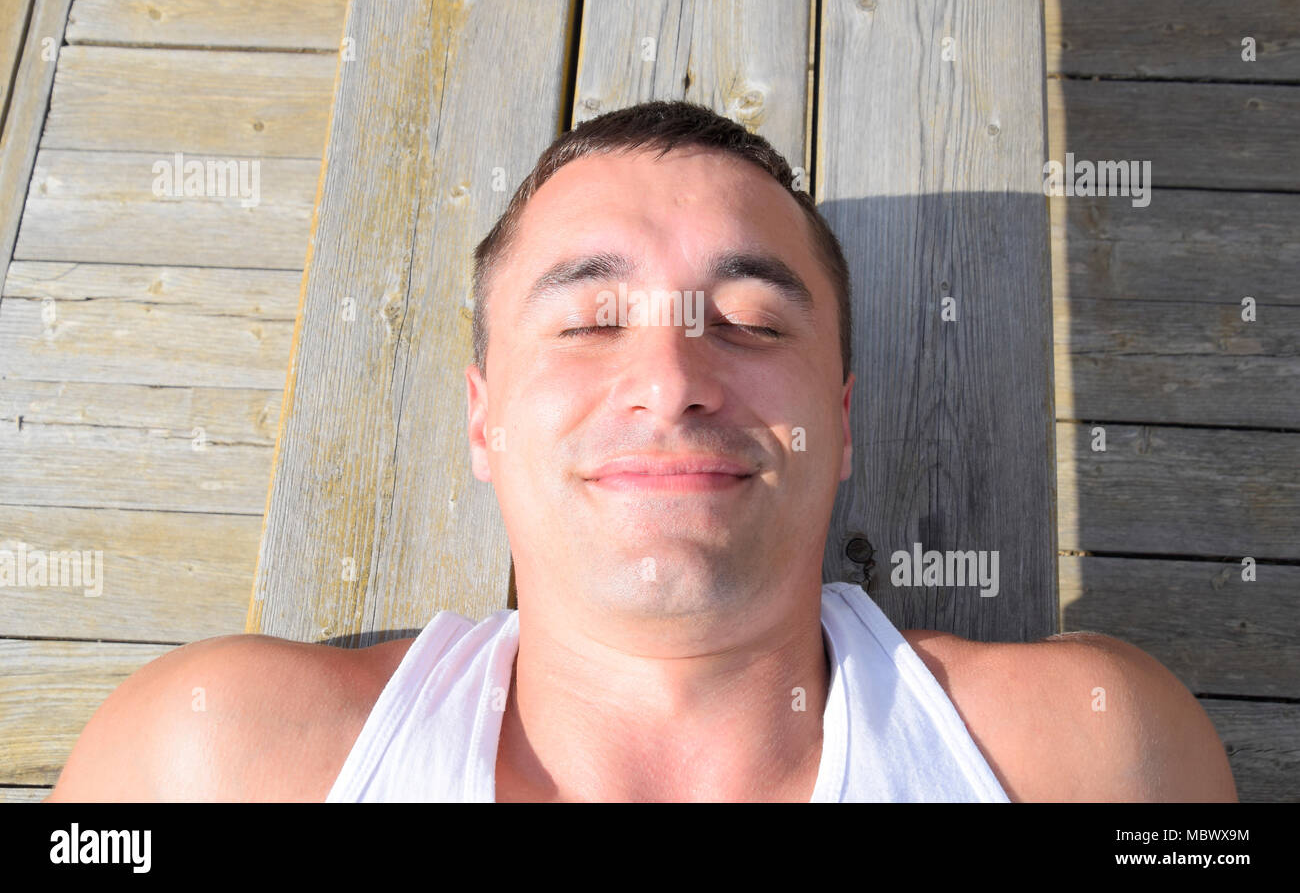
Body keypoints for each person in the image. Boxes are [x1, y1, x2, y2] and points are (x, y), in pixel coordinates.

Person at [45, 101, 1237, 802]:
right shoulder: (214, 758)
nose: (669, 381)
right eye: (589, 321)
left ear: (844, 420)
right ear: (480, 419)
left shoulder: (1090, 751)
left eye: (752, 323)